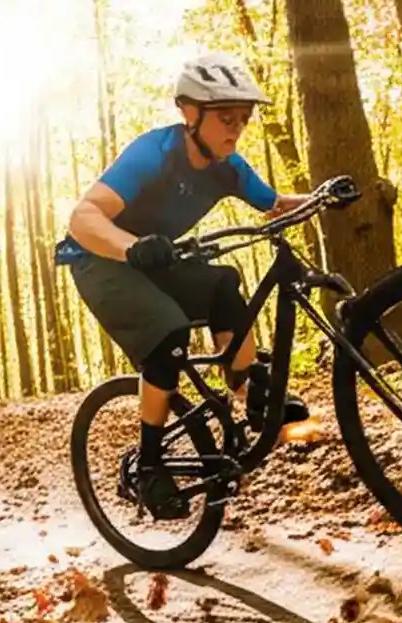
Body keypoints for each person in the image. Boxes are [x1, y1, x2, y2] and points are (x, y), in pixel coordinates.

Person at [57, 52, 309, 520]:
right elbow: (83, 218)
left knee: (223, 285)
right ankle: (151, 466)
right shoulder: (155, 153)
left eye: (243, 119)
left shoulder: (229, 167)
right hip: (99, 260)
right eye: (225, 118)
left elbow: (275, 204)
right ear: (190, 114)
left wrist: (322, 197)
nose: (236, 128)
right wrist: (130, 247)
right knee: (169, 332)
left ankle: (248, 392)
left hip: (154, 258)